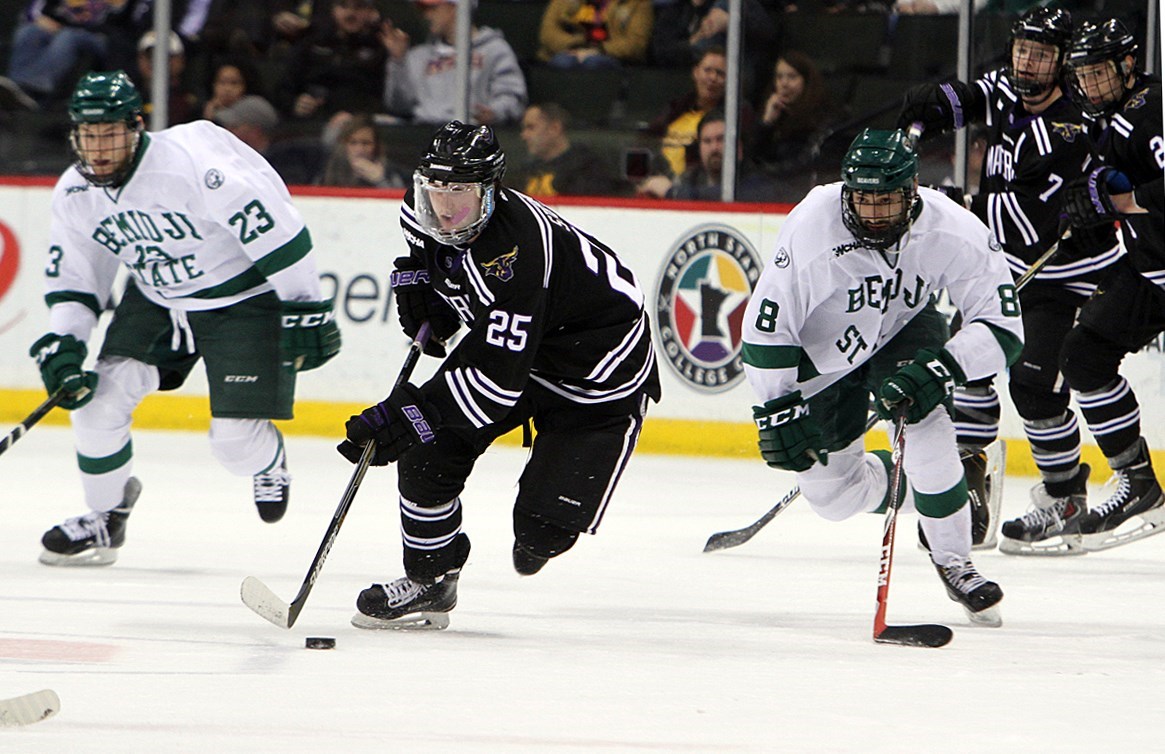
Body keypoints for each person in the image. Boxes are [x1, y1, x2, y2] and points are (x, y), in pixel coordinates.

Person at [337, 120, 660, 629]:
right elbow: (436, 262)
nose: (444, 208)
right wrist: (429, 291)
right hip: (521, 350)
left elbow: (494, 384)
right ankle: (431, 580)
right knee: (426, 453)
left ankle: (547, 519)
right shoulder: (418, 211)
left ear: (490, 191)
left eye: (460, 193)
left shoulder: (521, 250)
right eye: (436, 189)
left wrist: (411, 413)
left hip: (595, 376)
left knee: (539, 536)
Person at [30, 71, 340, 567]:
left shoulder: (192, 161)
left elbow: (278, 226)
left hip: (244, 298)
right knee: (95, 404)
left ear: (136, 127)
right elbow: (77, 278)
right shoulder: (74, 193)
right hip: (158, 298)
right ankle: (106, 517)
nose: (100, 146)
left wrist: (304, 304)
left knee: (234, 446)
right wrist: (67, 343)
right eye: (90, 134)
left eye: (110, 132)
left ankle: (269, 460)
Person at [742, 128, 1022, 625]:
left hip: (903, 331)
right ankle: (957, 485)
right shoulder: (812, 227)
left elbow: (1004, 329)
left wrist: (943, 367)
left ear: (913, 192)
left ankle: (956, 562)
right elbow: (768, 327)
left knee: (926, 429)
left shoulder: (952, 230)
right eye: (863, 199)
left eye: (886, 200)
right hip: (823, 356)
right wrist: (776, 408)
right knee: (834, 497)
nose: (872, 213)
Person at [897, 8, 1118, 555]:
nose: (1026, 61)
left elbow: (1022, 218)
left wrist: (948, 202)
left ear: (1063, 61)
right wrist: (932, 105)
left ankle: (1066, 497)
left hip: (1064, 274)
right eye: (1022, 48)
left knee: (1034, 385)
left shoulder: (1066, 129)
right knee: (963, 372)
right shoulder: (1010, 88)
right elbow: (971, 97)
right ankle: (968, 480)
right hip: (1003, 269)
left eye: (1041, 54)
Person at [1056, 19, 1164, 551]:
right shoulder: (1111, 117)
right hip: (1152, 268)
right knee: (1083, 355)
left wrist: (1118, 199)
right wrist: (1098, 195)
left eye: (1099, 73)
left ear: (1126, 65)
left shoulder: (1154, 110)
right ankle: (1139, 481)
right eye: (1083, 75)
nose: (1090, 85)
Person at [380, 0, 527, 126]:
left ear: (456, 7)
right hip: (425, 137)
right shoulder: (419, 56)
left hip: (471, 139)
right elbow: (398, 106)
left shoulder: (494, 50)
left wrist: (494, 112)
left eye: (432, 8)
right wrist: (398, 62)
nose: (426, 15)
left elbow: (513, 98)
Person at [278, 0, 388, 120]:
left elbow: (386, 97)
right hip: (315, 119)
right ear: (333, 9)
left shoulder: (381, 47)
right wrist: (295, 103)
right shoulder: (311, 42)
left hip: (361, 122)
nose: (350, 14)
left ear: (371, 12)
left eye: (359, 7)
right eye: (343, 6)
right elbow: (283, 89)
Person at [753, 51, 835, 180]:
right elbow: (755, 156)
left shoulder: (821, 117)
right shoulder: (773, 113)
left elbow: (806, 162)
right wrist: (767, 123)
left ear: (806, 81)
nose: (784, 83)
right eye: (779, 77)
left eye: (792, 77)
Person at [512, 102, 620, 197]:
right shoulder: (525, 171)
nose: (524, 135)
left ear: (554, 128)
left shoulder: (586, 168)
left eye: (531, 127)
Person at [666, 109, 774, 201]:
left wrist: (674, 193)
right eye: (707, 141)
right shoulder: (688, 179)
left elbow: (732, 196)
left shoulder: (757, 182)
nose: (714, 148)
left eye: (721, 139)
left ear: (738, 146)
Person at [537, 0, 653, 69]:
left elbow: (635, 44)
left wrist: (598, 49)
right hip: (568, 51)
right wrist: (576, 45)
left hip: (611, 57)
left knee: (594, 62)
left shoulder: (636, 3)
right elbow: (548, 33)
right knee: (563, 62)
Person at [317, 114, 408, 188]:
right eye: (353, 143)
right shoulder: (331, 169)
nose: (359, 149)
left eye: (366, 143)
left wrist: (380, 181)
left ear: (376, 146)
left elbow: (398, 205)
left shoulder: (389, 172)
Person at [135, 30, 201, 126]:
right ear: (140, 59)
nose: (155, 62)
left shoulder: (192, 101)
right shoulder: (130, 99)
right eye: (150, 56)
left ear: (180, 60)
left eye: (165, 56)